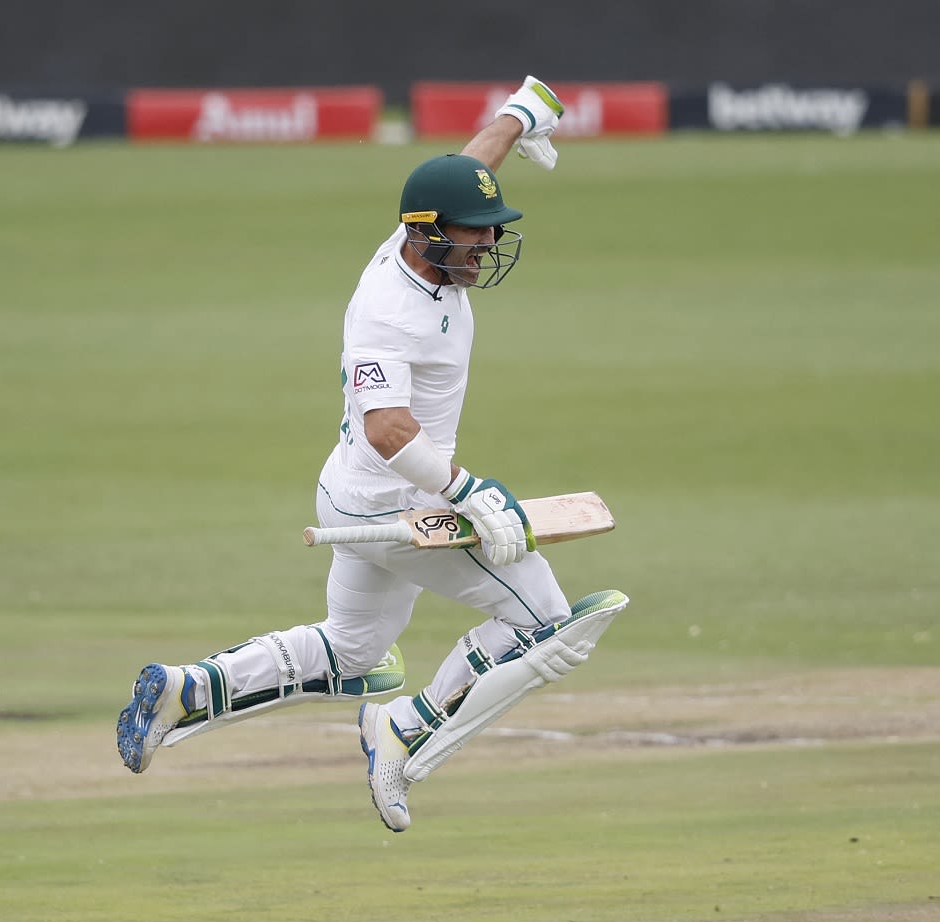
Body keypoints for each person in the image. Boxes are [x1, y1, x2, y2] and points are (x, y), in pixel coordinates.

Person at [116, 76, 628, 832]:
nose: (487, 242)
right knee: (544, 621)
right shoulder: (390, 313)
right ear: (428, 236)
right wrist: (469, 490)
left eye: (489, 227)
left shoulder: (414, 239)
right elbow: (388, 427)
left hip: (349, 493)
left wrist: (518, 116)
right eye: (474, 232)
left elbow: (465, 164)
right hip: (398, 503)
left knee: (353, 652)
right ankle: (406, 728)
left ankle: (187, 688)